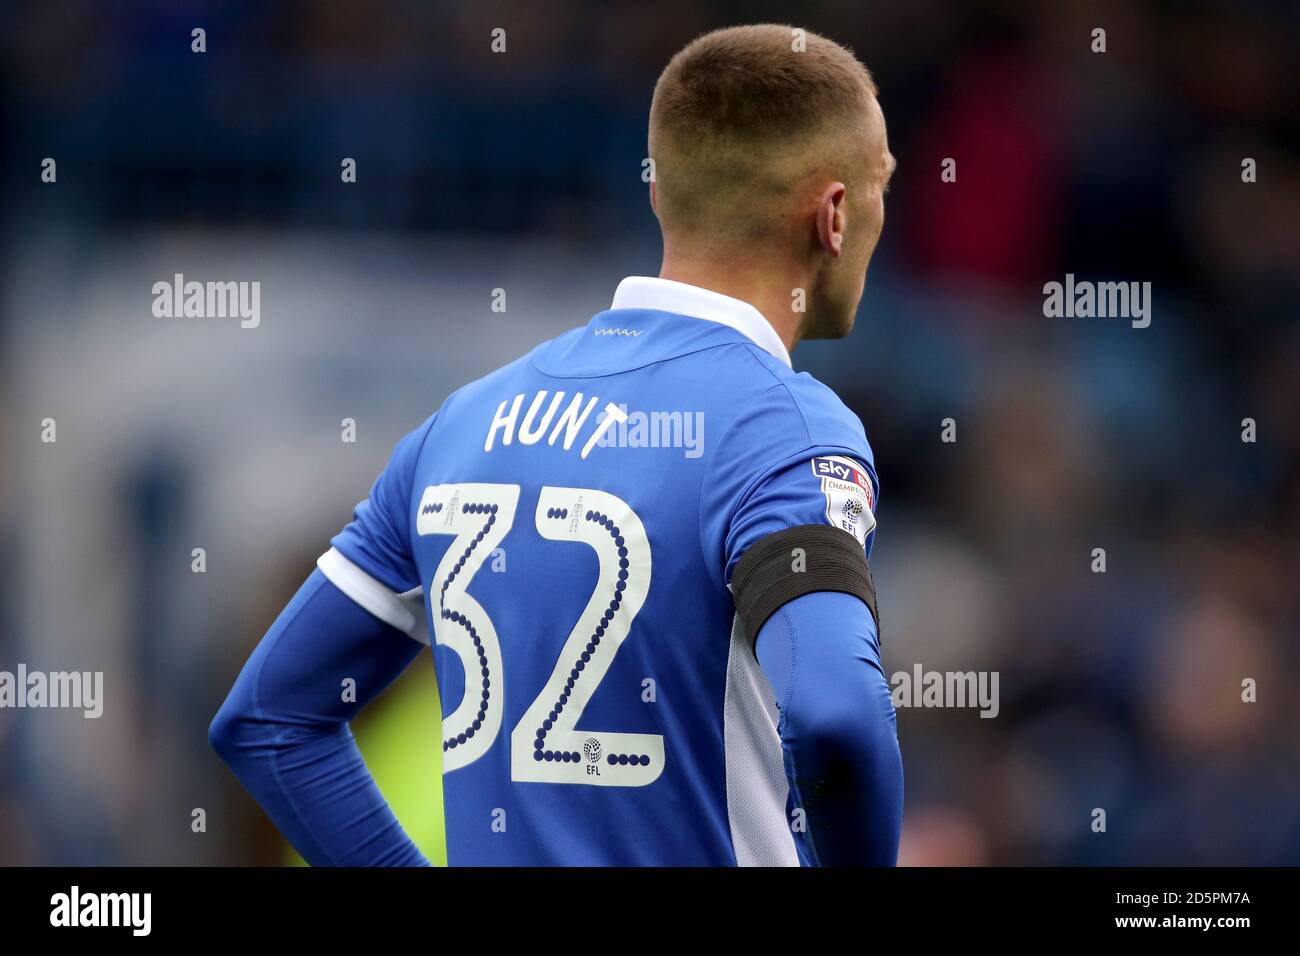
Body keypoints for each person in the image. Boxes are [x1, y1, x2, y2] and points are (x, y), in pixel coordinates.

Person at [211, 22, 902, 866]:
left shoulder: (461, 424)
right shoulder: (786, 427)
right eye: (881, 188)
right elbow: (836, 717)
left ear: (659, 195)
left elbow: (269, 720)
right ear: (835, 215)